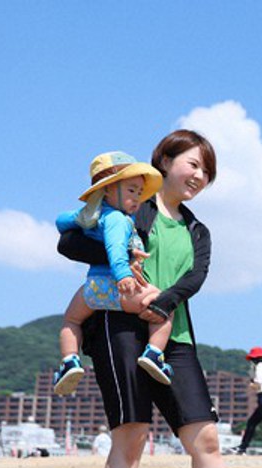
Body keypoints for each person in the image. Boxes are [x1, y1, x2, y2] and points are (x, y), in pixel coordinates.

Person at [58, 129, 262, 468]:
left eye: (207, 171)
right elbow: (68, 241)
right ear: (164, 161)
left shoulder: (198, 230)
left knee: (207, 440)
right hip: (119, 327)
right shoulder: (132, 206)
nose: (200, 175)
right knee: (132, 436)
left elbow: (194, 279)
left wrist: (160, 304)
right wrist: (119, 257)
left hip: (171, 336)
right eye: (193, 164)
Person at [53, 152, 173, 396]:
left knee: (71, 320)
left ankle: (69, 361)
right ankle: (154, 353)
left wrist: (81, 215)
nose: (137, 198)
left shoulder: (94, 217)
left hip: (91, 288)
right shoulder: (118, 219)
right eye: (131, 190)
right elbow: (115, 251)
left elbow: (60, 221)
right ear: (107, 190)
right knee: (163, 305)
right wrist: (124, 276)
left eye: (139, 192)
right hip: (117, 286)